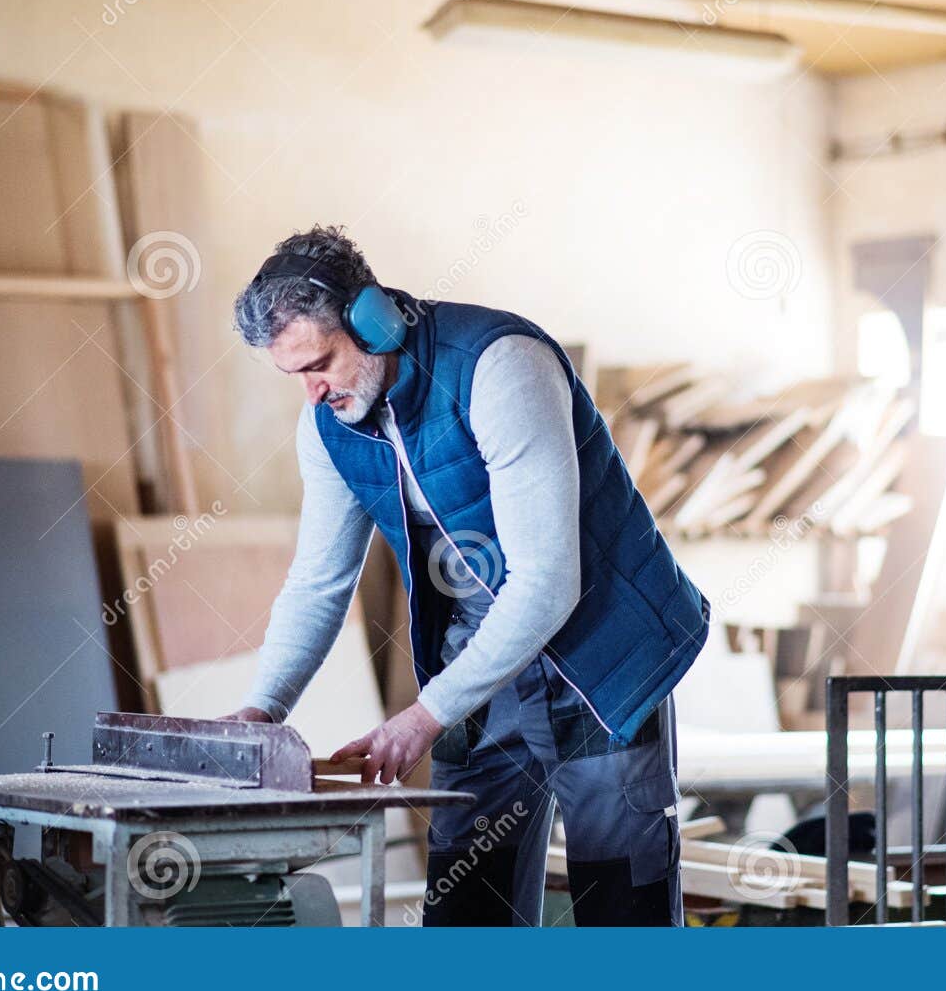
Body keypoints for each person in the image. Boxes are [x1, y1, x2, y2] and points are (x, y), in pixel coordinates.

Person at [225, 226, 710, 925]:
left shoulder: (499, 367)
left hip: (602, 657)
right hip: (482, 665)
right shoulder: (328, 426)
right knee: (465, 914)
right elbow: (318, 581)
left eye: (320, 362)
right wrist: (261, 710)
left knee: (621, 913)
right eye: (294, 373)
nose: (311, 390)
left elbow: (546, 583)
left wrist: (423, 717)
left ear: (373, 320)